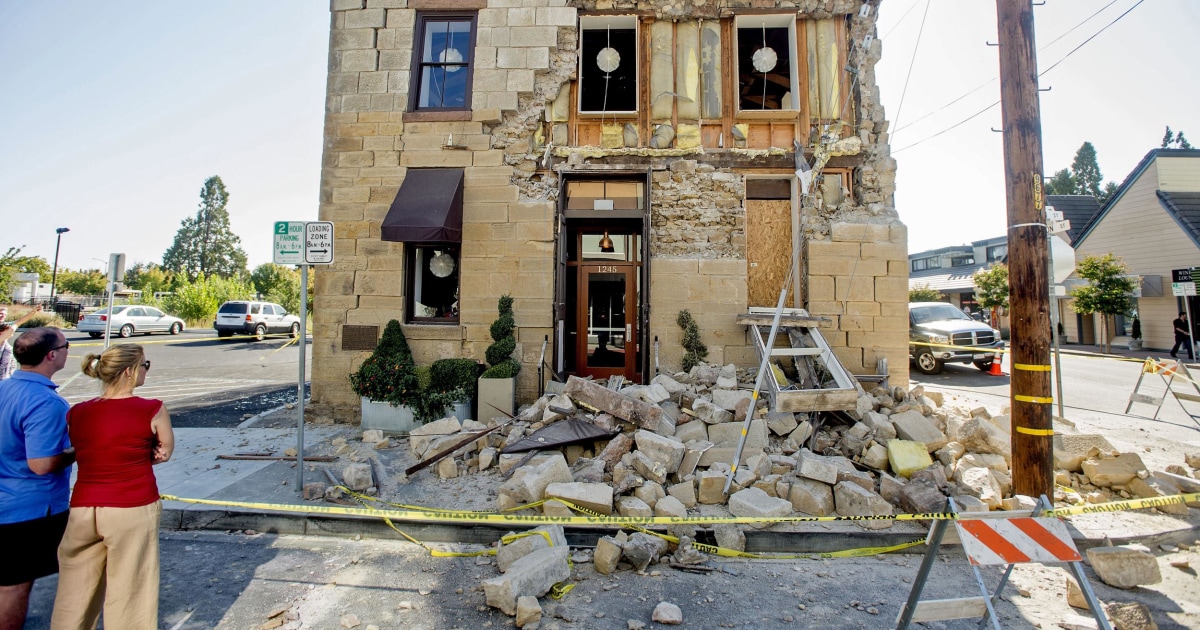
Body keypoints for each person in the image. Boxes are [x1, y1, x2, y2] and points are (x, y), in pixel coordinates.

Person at [51, 344, 173, 630]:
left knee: (74, 591)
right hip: (132, 505)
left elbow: (82, 449)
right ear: (130, 371)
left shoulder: (78, 412)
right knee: (131, 591)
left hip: (83, 507)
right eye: (145, 365)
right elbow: (163, 452)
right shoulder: (152, 409)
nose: (146, 370)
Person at [0, 327, 74, 630]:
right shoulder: (46, 403)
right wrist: (77, 450)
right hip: (27, 509)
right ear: (52, 355)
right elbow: (42, 464)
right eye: (66, 345)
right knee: (14, 584)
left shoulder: (4, 389)